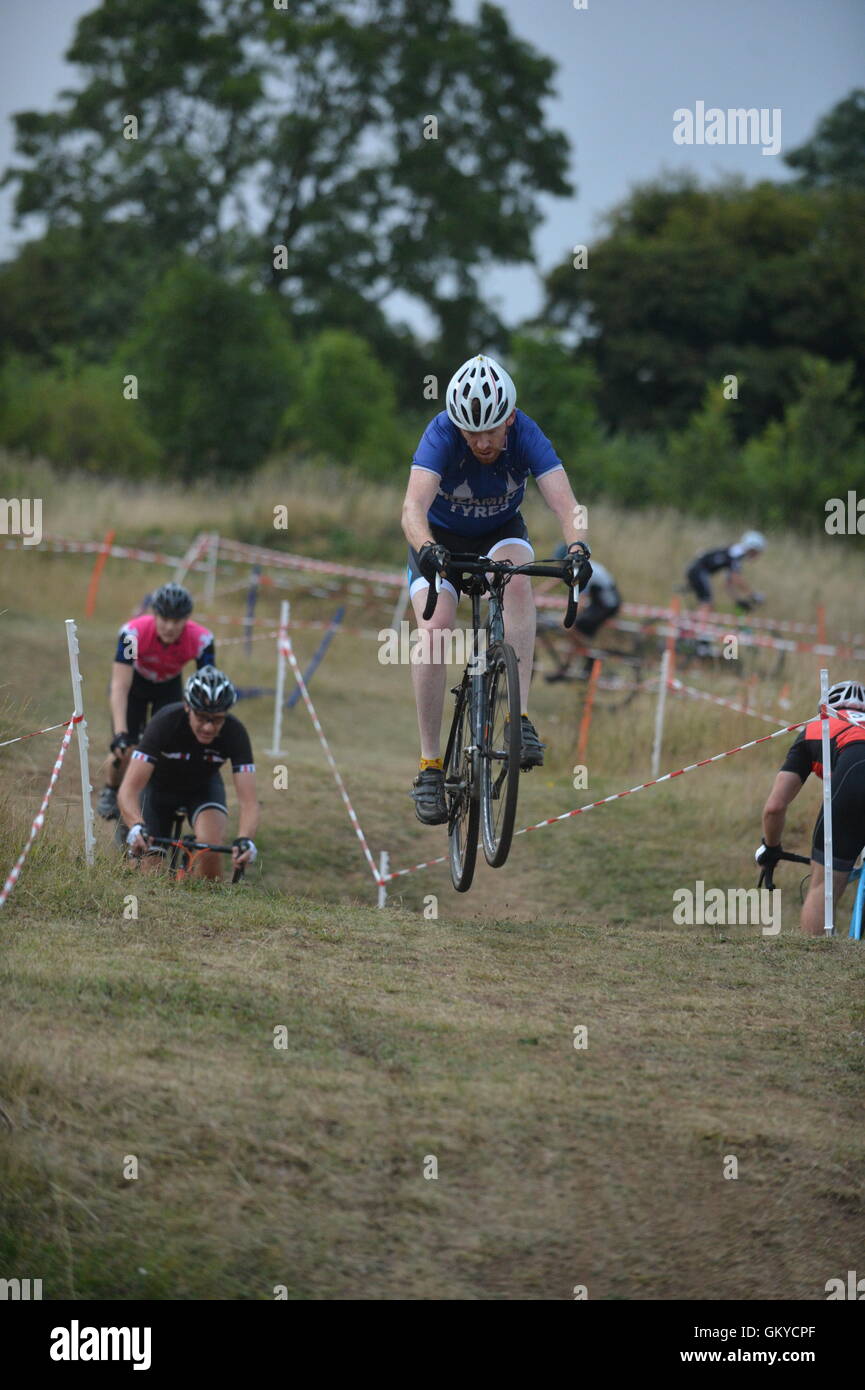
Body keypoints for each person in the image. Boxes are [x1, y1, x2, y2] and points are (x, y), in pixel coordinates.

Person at [400, 353, 591, 824]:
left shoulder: (526, 434)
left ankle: (517, 719)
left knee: (519, 585)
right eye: (471, 432)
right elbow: (411, 508)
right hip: (439, 544)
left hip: (500, 534)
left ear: (509, 417)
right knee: (435, 628)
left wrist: (579, 548)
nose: (482, 442)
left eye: (491, 431)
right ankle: (429, 766)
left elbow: (569, 505)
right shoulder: (440, 434)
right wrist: (426, 547)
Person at [118, 666, 259, 880]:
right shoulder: (164, 723)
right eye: (202, 717)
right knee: (148, 871)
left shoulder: (235, 732)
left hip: (202, 789)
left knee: (210, 848)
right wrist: (136, 825)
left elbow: (249, 802)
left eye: (218, 719)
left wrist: (245, 839)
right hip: (158, 789)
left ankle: (206, 905)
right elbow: (128, 789)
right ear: (187, 707)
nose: (209, 727)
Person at [96, 582, 215, 819]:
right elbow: (120, 686)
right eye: (164, 619)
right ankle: (111, 789)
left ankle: (163, 796)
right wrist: (121, 731)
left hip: (168, 687)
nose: (170, 627)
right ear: (155, 614)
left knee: (167, 748)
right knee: (125, 749)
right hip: (135, 686)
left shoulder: (201, 640)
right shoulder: (133, 634)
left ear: (187, 619)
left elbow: (207, 688)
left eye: (177, 620)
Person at [756, 681, 865, 936]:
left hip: (855, 775)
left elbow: (774, 807)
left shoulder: (817, 728)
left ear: (825, 708)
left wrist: (771, 848)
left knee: (822, 888)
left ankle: (819, 962)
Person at [685, 531, 766, 617]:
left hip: (697, 571)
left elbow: (728, 584)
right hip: (698, 571)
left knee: (709, 607)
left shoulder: (735, 553)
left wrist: (737, 600)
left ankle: (692, 626)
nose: (757, 555)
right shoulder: (738, 553)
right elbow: (736, 579)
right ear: (752, 548)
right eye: (758, 552)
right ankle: (694, 627)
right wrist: (753, 595)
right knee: (707, 604)